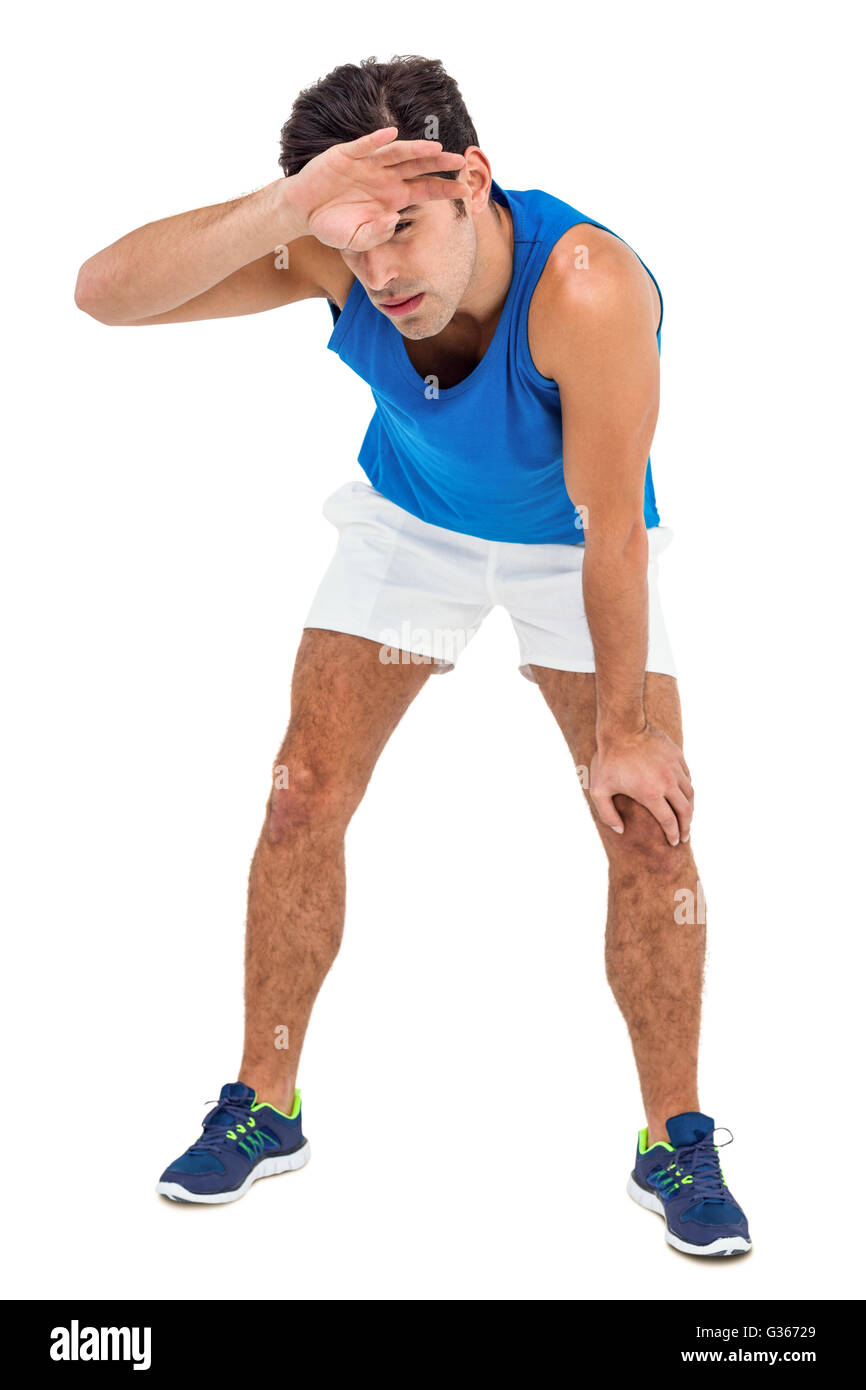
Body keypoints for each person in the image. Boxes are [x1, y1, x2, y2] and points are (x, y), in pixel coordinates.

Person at [75, 55, 750, 1255]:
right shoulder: (330, 252)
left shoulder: (583, 289)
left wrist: (626, 728)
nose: (380, 271)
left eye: (404, 227)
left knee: (647, 820)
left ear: (470, 181)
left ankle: (672, 1132)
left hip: (575, 549)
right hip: (411, 529)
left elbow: (607, 526)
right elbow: (105, 295)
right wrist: (289, 212)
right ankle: (265, 1102)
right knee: (298, 799)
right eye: (352, 238)